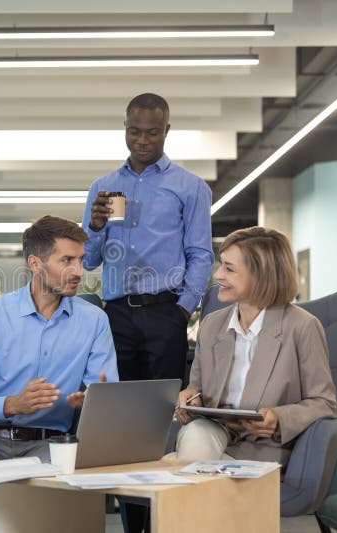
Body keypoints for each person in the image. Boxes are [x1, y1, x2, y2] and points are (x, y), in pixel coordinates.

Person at [0, 215, 119, 461]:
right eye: (67, 260)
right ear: (35, 264)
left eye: (80, 260)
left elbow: (104, 395)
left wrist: (93, 402)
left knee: (84, 465)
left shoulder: (95, 321)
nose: (78, 271)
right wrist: (12, 405)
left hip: (48, 447)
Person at [174, 226, 337, 463]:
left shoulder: (302, 327)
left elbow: (325, 404)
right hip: (213, 437)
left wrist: (279, 418)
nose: (218, 275)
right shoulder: (211, 325)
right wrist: (190, 399)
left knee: (195, 472)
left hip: (265, 449)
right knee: (197, 436)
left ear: (261, 275)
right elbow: (196, 389)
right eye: (221, 265)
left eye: (229, 269)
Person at [82, 92, 213, 385]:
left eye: (152, 132)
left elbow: (201, 254)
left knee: (162, 408)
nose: (142, 140)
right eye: (134, 131)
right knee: (114, 404)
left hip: (165, 312)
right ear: (125, 127)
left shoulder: (190, 187)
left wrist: (183, 310)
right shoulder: (105, 187)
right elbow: (89, 261)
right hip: (115, 316)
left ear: (166, 130)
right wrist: (95, 225)